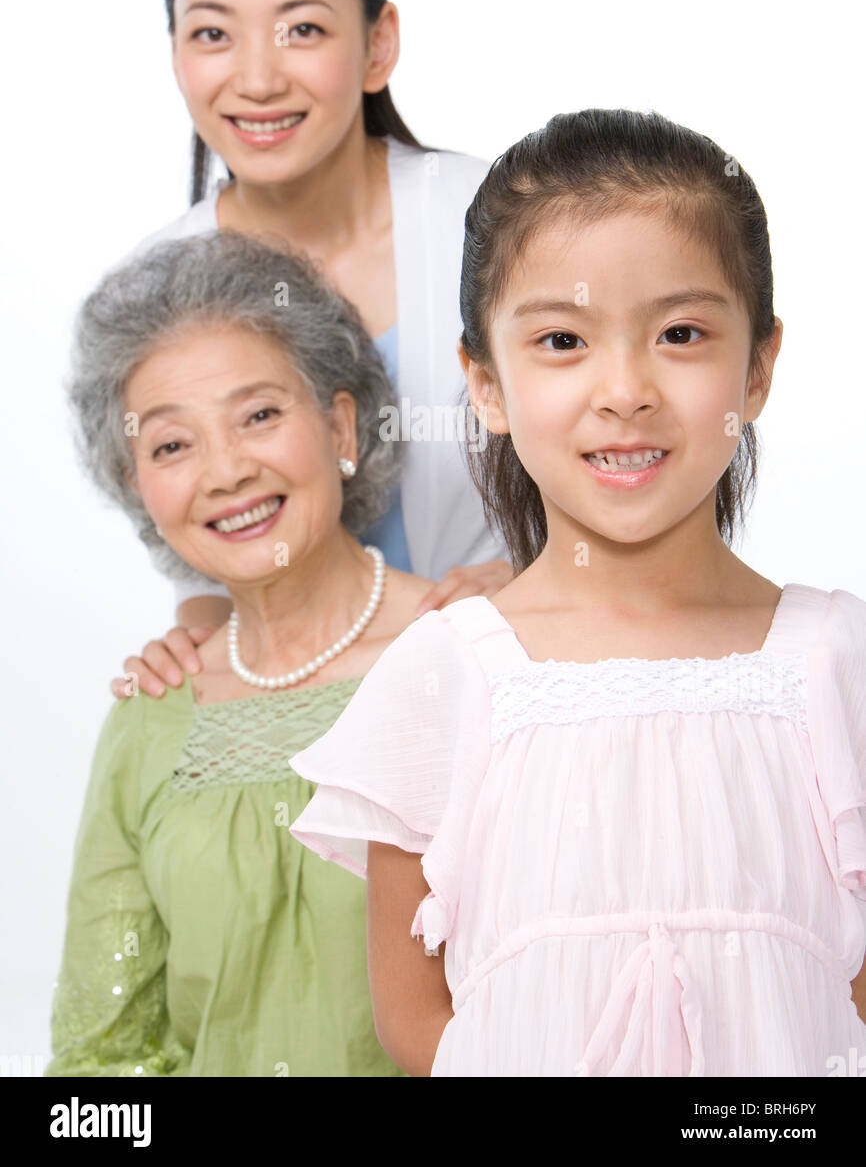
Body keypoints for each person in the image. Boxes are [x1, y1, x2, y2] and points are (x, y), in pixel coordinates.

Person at [285, 108, 866, 1077]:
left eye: (679, 332)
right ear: (484, 383)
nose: (624, 388)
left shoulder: (831, 660)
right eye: (561, 341)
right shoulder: (443, 674)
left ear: (757, 364)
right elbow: (412, 1015)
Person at [114, 0, 512, 700]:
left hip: (506, 675)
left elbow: (616, 448)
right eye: (212, 32)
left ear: (378, 43)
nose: (257, 79)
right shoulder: (157, 290)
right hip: (300, 715)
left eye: (301, 28)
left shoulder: (500, 218)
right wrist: (191, 654)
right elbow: (206, 534)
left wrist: (534, 583)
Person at [46, 231, 437, 1076]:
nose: (224, 472)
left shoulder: (460, 662)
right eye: (171, 445)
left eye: (259, 415)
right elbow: (98, 1056)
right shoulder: (151, 714)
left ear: (339, 425)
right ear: (139, 489)